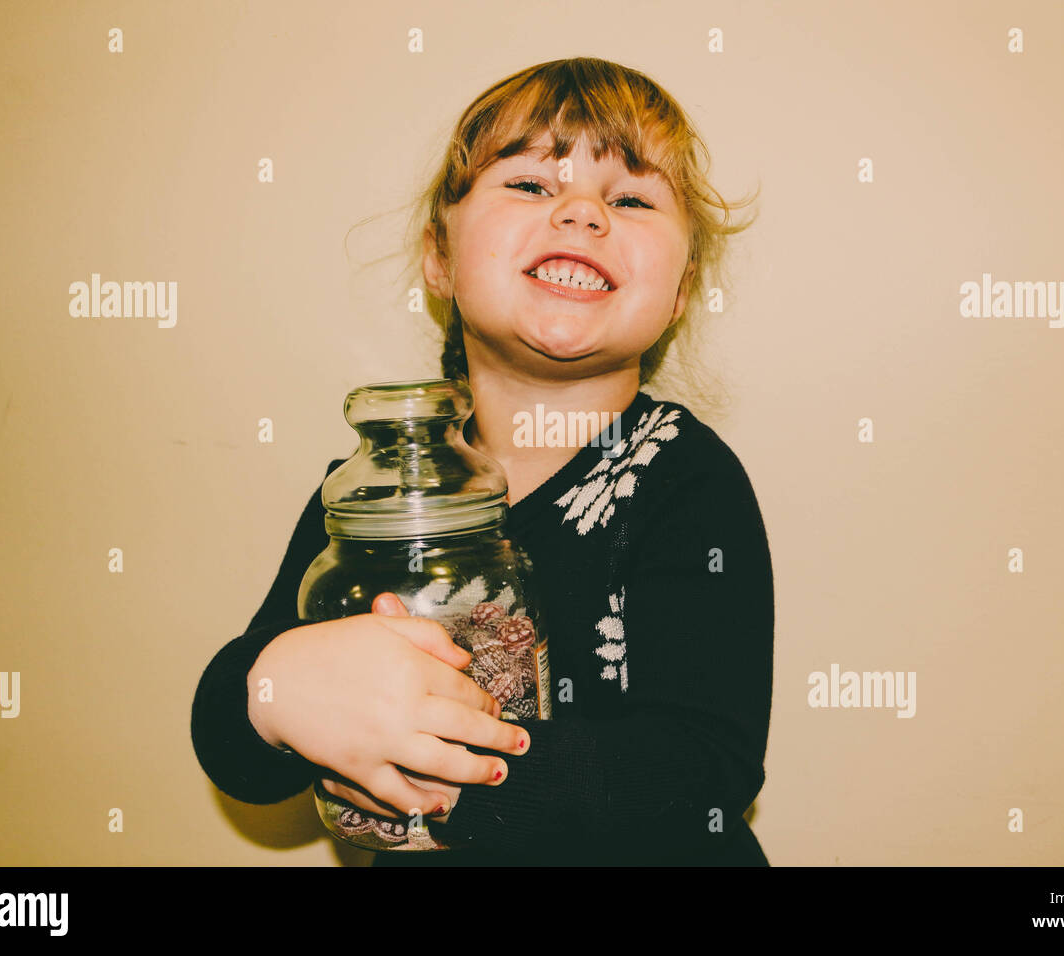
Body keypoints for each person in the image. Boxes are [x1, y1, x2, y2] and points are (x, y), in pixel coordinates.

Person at [191, 56, 773, 865]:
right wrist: (277, 687)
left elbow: (707, 762)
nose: (580, 212)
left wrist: (449, 770)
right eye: (532, 186)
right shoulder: (369, 491)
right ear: (438, 254)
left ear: (679, 293)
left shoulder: (686, 479)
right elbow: (234, 742)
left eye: (631, 199)